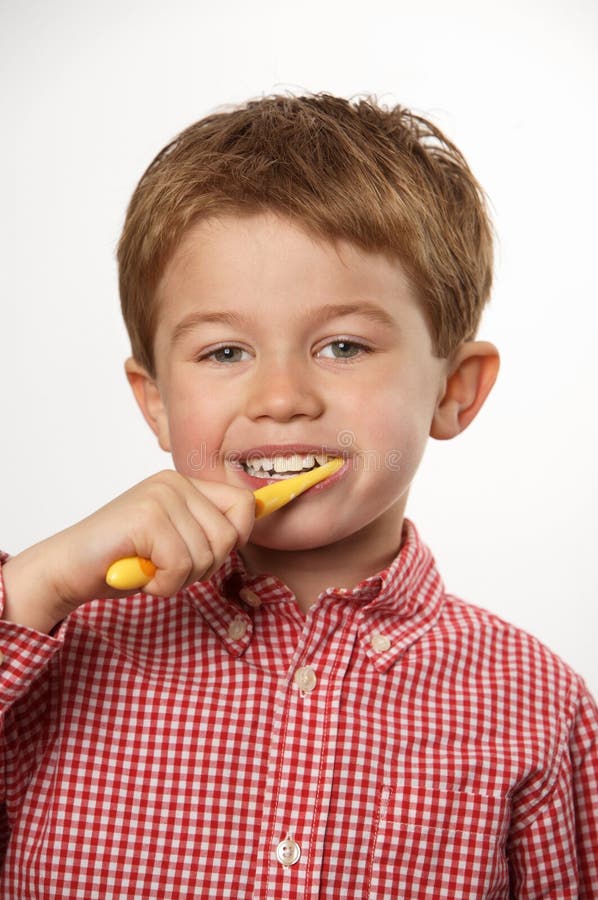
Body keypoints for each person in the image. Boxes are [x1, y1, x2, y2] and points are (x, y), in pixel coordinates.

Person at [0, 93, 596, 899]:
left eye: (343, 345)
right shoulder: (49, 644)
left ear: (454, 390)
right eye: (224, 351)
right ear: (155, 402)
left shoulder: (538, 708)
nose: (280, 397)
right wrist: (29, 589)